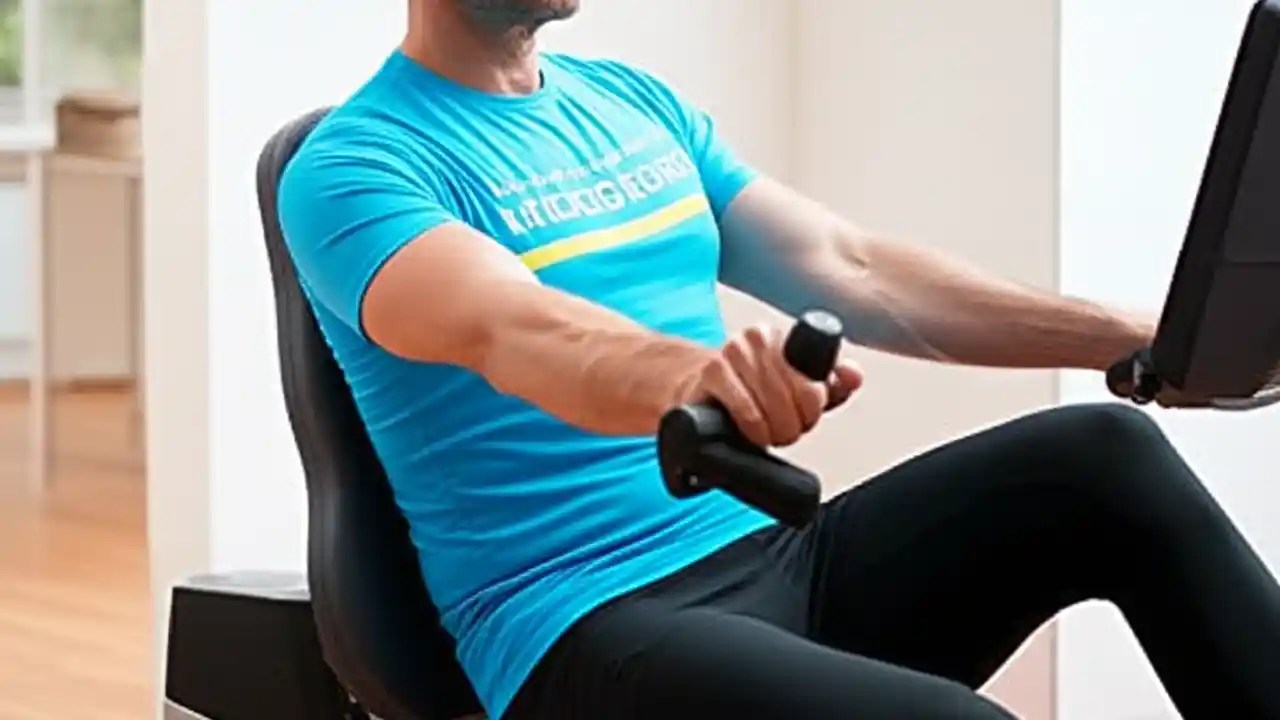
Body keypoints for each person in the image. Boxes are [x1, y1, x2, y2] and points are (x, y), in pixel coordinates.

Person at [277, 1, 1280, 718]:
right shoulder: (355, 165)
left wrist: (1147, 333)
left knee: (1101, 457)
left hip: (778, 565)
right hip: (580, 627)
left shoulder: (630, 104)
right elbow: (514, 328)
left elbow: (852, 269)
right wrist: (689, 377)